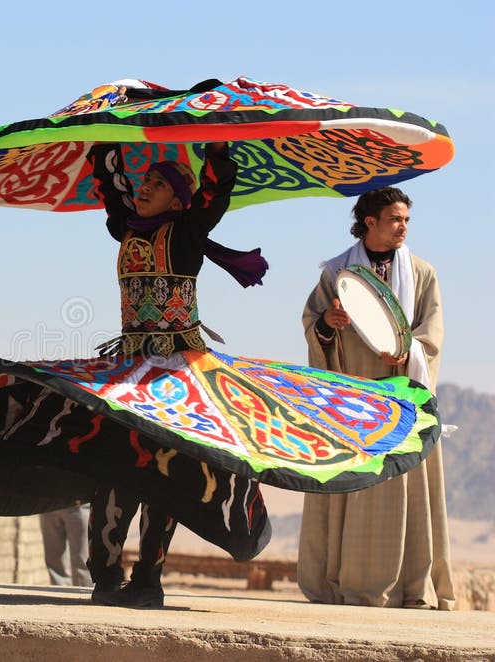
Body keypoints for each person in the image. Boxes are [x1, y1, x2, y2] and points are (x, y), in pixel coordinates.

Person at [84, 138, 267, 608]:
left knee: (164, 473)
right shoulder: (126, 228)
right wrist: (107, 136)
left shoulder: (185, 233)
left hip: (177, 374)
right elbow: (112, 185)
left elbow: (214, 191)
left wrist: (216, 144)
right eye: (144, 181)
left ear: (179, 199)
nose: (144, 188)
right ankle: (105, 578)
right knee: (114, 468)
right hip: (127, 368)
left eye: (157, 184)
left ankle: (148, 580)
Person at [297, 186, 454, 610]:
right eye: (395, 219)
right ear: (370, 223)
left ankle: (411, 589)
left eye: (406, 220)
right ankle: (338, 582)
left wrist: (409, 351)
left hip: (403, 397)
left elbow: (432, 333)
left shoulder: (422, 273)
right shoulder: (335, 273)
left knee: (406, 487)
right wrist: (327, 323)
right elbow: (314, 325)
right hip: (352, 401)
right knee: (353, 484)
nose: (403, 227)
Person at [38, 502, 93, 587]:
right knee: (55, 562)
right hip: (49, 505)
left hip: (79, 504)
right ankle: (60, 596)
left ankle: (83, 597)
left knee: (83, 563)